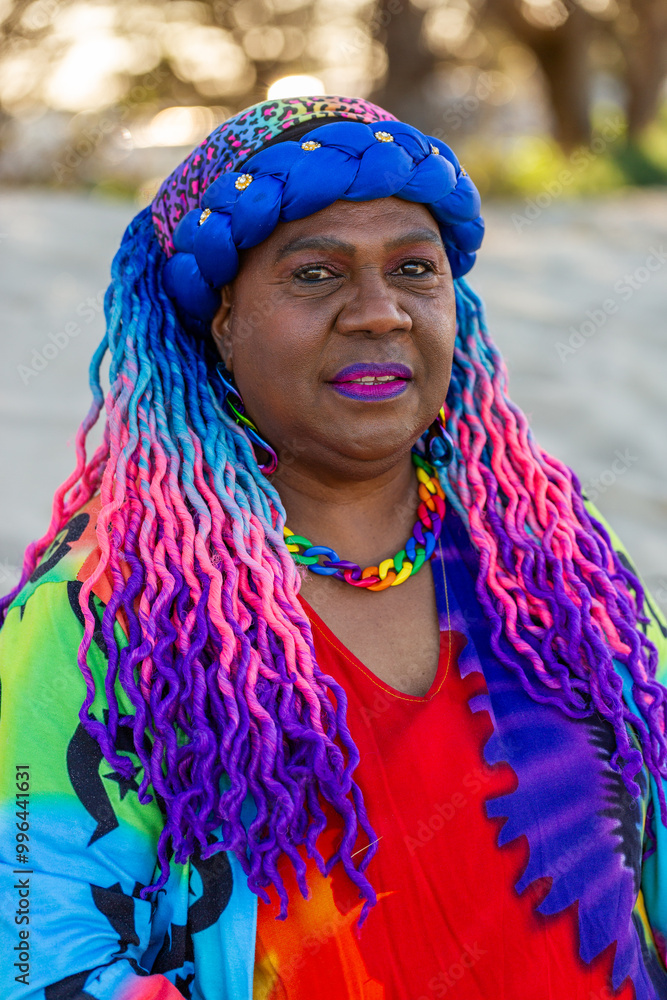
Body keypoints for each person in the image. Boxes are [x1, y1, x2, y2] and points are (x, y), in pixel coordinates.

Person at [0, 94, 666, 1000]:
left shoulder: (556, 563)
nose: (379, 313)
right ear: (220, 321)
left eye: (414, 270)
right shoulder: (104, 613)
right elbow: (33, 946)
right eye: (316, 275)